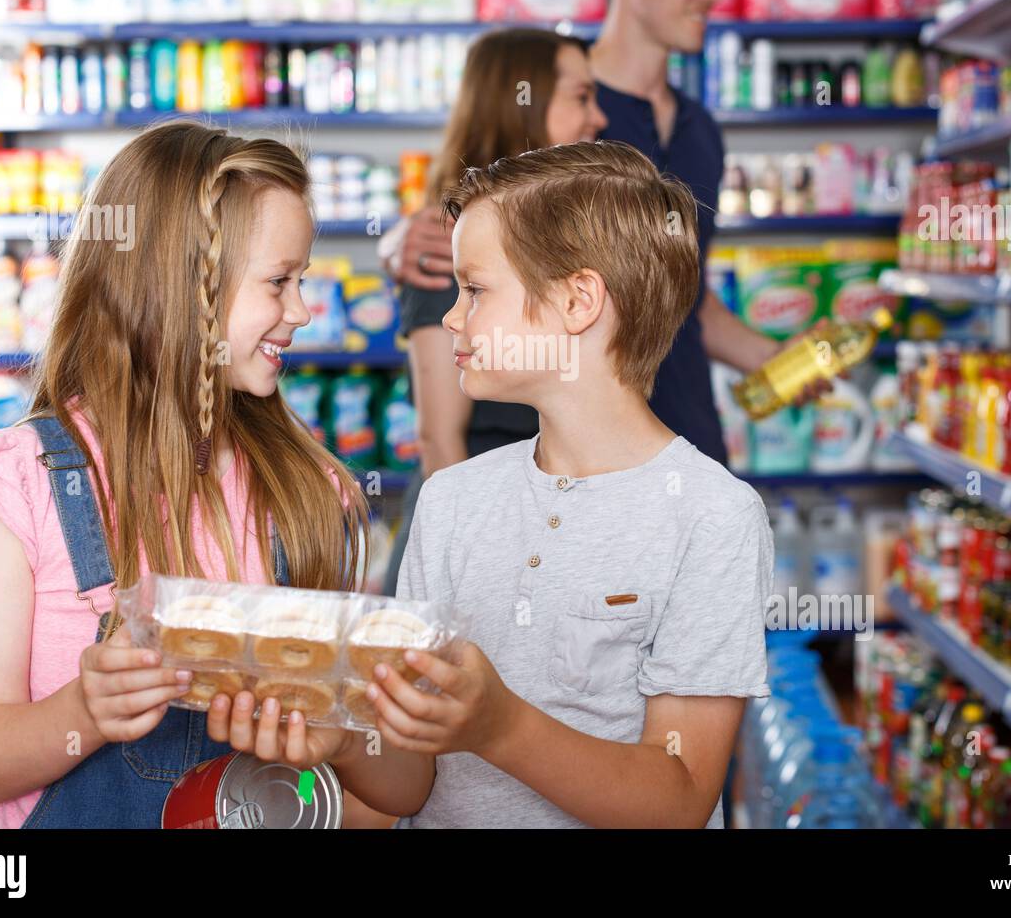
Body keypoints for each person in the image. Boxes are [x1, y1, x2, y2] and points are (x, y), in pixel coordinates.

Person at [293, 141, 774, 827]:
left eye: (476, 289)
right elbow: (409, 779)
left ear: (577, 301)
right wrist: (341, 738)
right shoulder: (451, 499)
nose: (453, 317)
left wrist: (499, 725)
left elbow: (680, 795)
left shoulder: (712, 515)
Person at [0, 121, 389, 828]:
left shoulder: (302, 489)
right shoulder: (16, 488)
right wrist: (81, 711)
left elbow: (381, 790)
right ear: (180, 290)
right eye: (279, 282)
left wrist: (344, 743)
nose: (302, 310)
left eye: (304, 280)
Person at [381, 0, 829, 469]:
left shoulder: (701, 131)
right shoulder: (558, 118)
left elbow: (685, 299)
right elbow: (469, 220)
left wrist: (777, 358)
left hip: (686, 433)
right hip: (577, 454)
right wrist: (398, 239)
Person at [382, 27, 608, 594]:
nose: (598, 117)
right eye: (580, 97)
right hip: (481, 529)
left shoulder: (563, 232)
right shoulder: (450, 243)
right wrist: (484, 566)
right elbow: (439, 438)